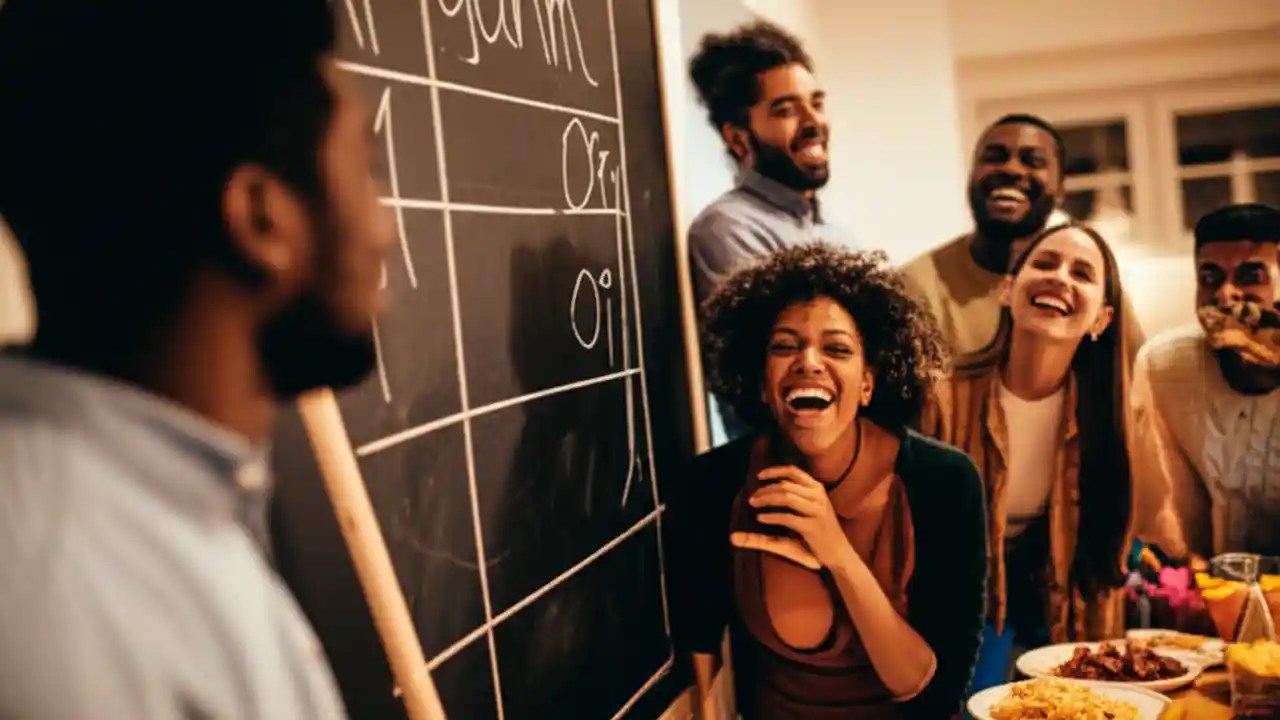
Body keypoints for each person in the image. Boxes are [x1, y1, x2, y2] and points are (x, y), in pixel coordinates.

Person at [0, 2, 394, 718]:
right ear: (259, 218)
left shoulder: (143, 515)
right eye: (365, 171)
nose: (386, 228)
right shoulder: (69, 629)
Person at [666, 243, 986, 719]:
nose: (808, 362)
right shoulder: (714, 484)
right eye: (784, 345)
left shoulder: (942, 481)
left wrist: (835, 550)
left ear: (868, 384)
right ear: (760, 382)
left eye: (836, 348)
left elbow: (934, 695)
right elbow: (700, 654)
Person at [920, 222, 1134, 692]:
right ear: (1007, 289)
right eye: (1045, 263)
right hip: (965, 596)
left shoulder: (1110, 417)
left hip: (1056, 586)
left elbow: (1107, 562)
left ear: (1102, 319)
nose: (1060, 278)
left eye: (1082, 273)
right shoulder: (940, 399)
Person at [687, 21, 847, 442]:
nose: (813, 122)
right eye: (786, 109)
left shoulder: (836, 231)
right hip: (788, 475)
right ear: (740, 139)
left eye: (816, 103)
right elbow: (787, 372)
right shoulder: (727, 230)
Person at [901, 114, 1144, 361]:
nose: (1011, 169)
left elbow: (1133, 387)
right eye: (994, 158)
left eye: (1034, 161)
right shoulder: (911, 289)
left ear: (1060, 190)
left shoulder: (1090, 291)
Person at [1131, 203, 1280, 561]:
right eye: (1210, 277)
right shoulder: (1164, 368)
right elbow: (1160, 501)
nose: (1225, 294)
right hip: (1204, 586)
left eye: (1250, 275)